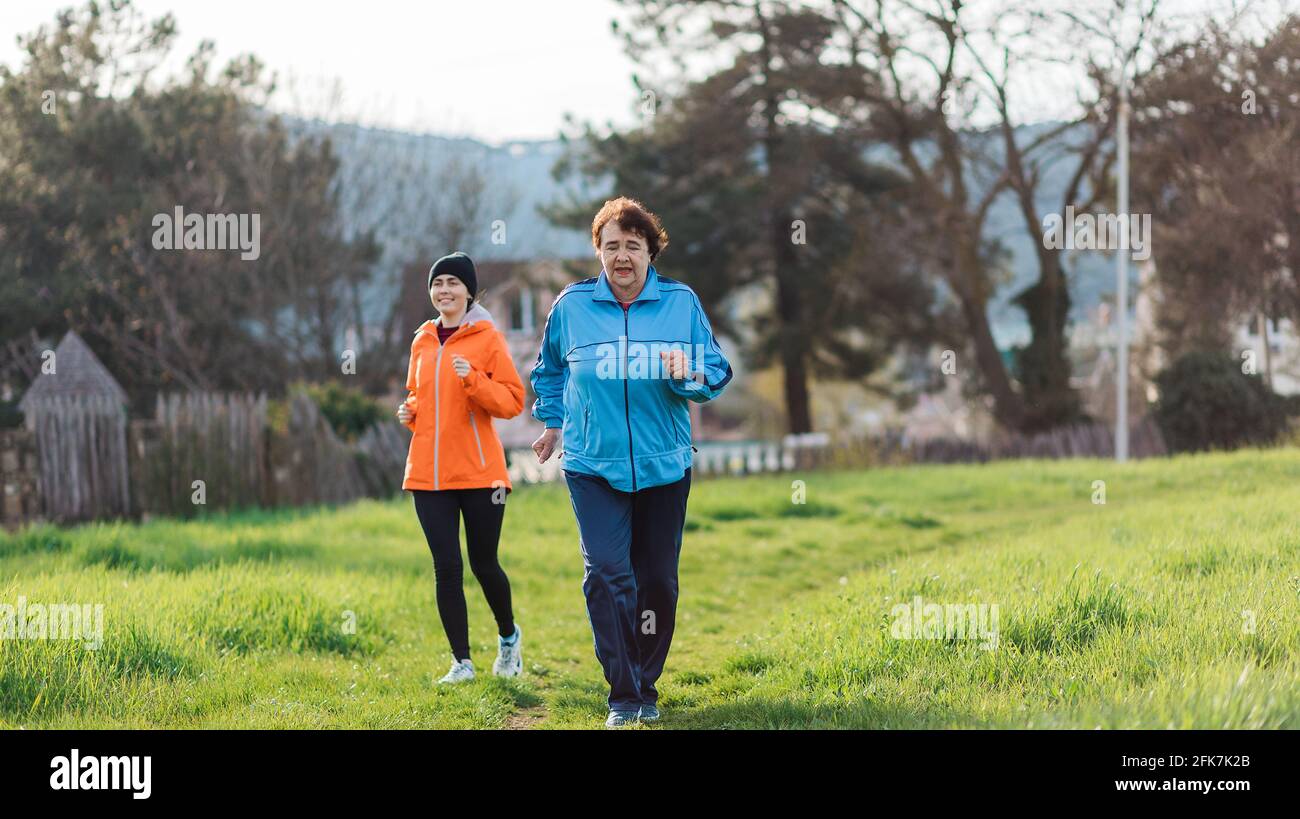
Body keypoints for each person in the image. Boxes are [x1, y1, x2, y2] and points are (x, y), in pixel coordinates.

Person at [529, 197, 733, 727]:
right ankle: (624, 695)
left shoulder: (680, 303)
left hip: (664, 465)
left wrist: (686, 373)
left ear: (650, 252)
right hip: (592, 465)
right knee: (607, 574)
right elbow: (549, 370)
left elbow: (716, 371)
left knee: (657, 581)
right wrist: (552, 422)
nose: (622, 256)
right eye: (612, 245)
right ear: (598, 251)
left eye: (633, 246)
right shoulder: (572, 306)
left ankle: (646, 682)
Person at [398, 251, 526, 685]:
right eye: (437, 283)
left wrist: (473, 378)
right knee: (446, 567)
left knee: (484, 564)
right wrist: (410, 411)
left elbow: (511, 401)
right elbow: (420, 396)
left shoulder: (487, 338)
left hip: (479, 474)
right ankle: (462, 663)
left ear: (469, 292)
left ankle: (508, 638)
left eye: (453, 283)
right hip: (428, 475)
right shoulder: (421, 340)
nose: (444, 290)